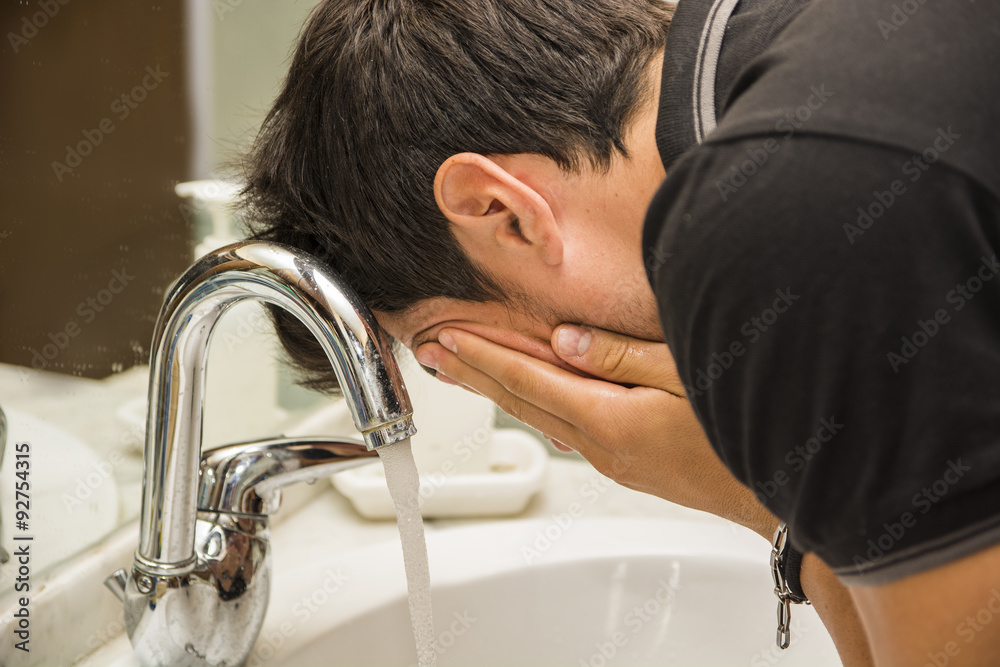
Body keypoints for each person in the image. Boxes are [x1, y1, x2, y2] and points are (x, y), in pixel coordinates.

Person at [240, 0, 1000, 664]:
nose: (561, 428)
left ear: (497, 209)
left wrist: (765, 496)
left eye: (450, 354)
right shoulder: (796, 52)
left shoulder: (773, 223)